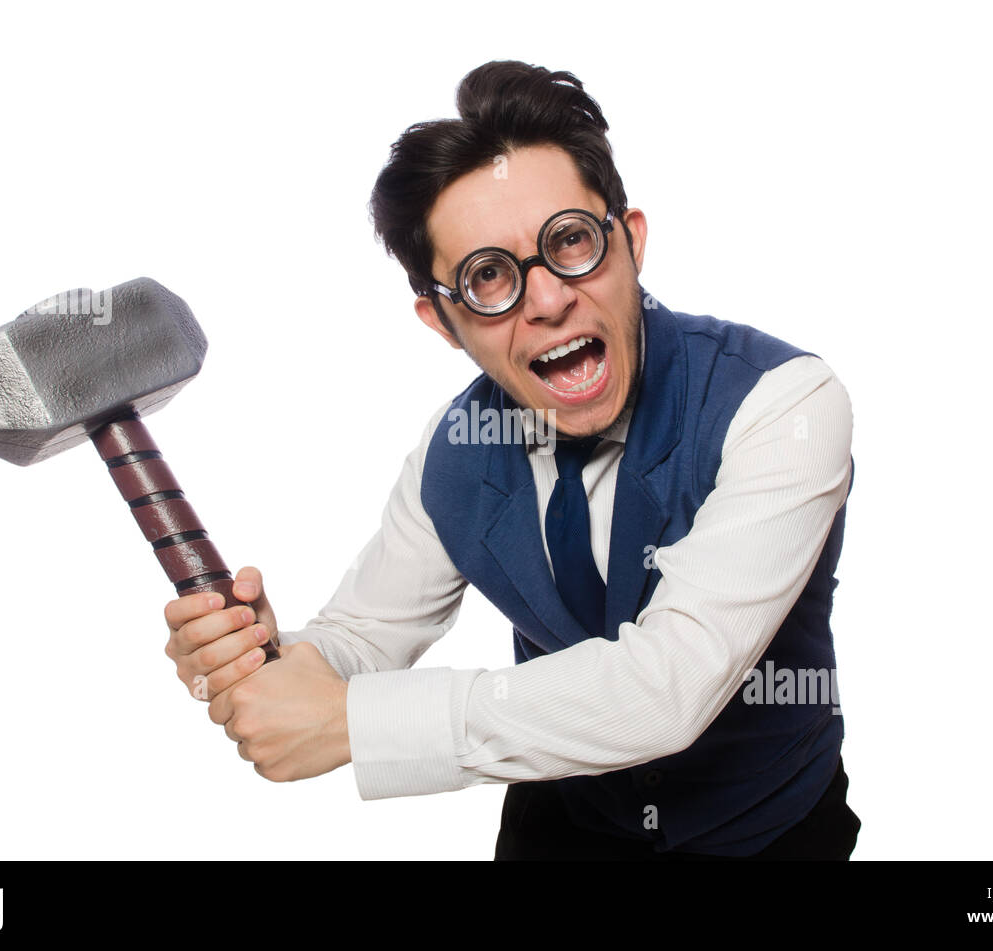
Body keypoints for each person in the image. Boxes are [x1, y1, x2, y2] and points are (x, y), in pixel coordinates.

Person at [161, 60, 861, 860]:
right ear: (442, 320)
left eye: (570, 241)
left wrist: (354, 724)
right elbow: (363, 633)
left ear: (630, 241)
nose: (548, 298)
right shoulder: (455, 453)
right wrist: (271, 664)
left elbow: (668, 685)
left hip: (771, 832)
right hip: (561, 830)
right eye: (487, 275)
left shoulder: (785, 405)